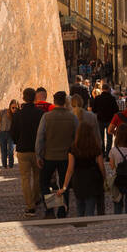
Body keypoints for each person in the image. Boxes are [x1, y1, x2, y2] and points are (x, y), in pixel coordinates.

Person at [35, 90, 78, 218]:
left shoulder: (46, 117)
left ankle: (50, 209)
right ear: (65, 102)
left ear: (54, 102)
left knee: (44, 182)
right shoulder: (72, 117)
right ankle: (62, 210)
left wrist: (38, 155)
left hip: (49, 156)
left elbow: (40, 138)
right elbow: (77, 137)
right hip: (66, 157)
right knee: (65, 184)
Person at [61, 121, 106, 217]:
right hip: (93, 179)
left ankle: (81, 227)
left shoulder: (73, 148)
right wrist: (104, 179)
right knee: (90, 208)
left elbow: (70, 169)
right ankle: (89, 229)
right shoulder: (96, 147)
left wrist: (64, 187)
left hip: (78, 180)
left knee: (80, 208)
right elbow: (101, 166)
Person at [12, 87, 43, 217]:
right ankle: (36, 199)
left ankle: (30, 207)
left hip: (23, 150)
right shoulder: (40, 113)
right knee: (37, 176)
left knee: (25, 178)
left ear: (24, 98)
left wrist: (18, 141)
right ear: (35, 97)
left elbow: (13, 132)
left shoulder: (18, 114)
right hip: (37, 150)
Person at [92, 79, 119, 157]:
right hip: (110, 120)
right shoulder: (112, 98)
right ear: (108, 89)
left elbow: (94, 110)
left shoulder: (97, 98)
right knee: (109, 138)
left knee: (101, 137)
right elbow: (116, 110)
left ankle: (102, 153)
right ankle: (108, 154)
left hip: (100, 120)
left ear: (102, 89)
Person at [0, 100, 18, 170]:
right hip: (2, 133)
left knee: (10, 151)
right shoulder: (2, 112)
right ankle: (4, 166)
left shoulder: (17, 115)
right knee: (3, 151)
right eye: (13, 108)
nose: (14, 109)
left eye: (16, 108)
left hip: (11, 134)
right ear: (10, 106)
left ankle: (11, 166)